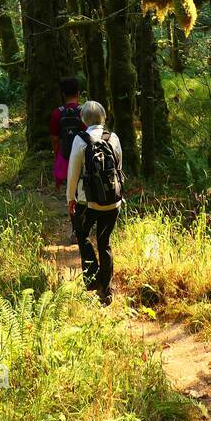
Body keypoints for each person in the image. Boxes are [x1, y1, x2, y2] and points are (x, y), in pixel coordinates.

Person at [67, 100, 124, 306]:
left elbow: (73, 173)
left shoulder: (80, 139)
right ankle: (107, 290)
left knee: (82, 235)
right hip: (113, 202)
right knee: (104, 242)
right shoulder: (113, 137)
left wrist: (70, 198)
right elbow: (119, 168)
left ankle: (92, 279)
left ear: (83, 119)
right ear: (103, 116)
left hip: (87, 202)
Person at [50, 77, 84, 194]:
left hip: (64, 152)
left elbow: (54, 138)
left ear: (63, 94)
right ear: (78, 93)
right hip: (82, 153)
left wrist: (56, 154)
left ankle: (58, 189)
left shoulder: (57, 113)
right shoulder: (84, 111)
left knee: (60, 164)